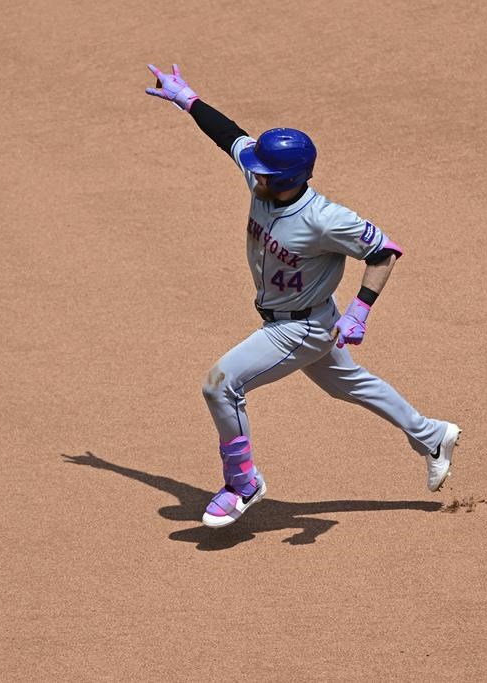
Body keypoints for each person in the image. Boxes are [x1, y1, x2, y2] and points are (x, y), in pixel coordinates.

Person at [145, 64, 462, 528]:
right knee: (349, 385)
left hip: (302, 326)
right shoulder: (262, 176)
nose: (255, 177)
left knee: (220, 384)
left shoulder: (326, 219)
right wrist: (188, 99)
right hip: (295, 318)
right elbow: (229, 136)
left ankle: (242, 483)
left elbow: (384, 252)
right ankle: (432, 435)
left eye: (266, 174)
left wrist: (360, 312)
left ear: (291, 177)